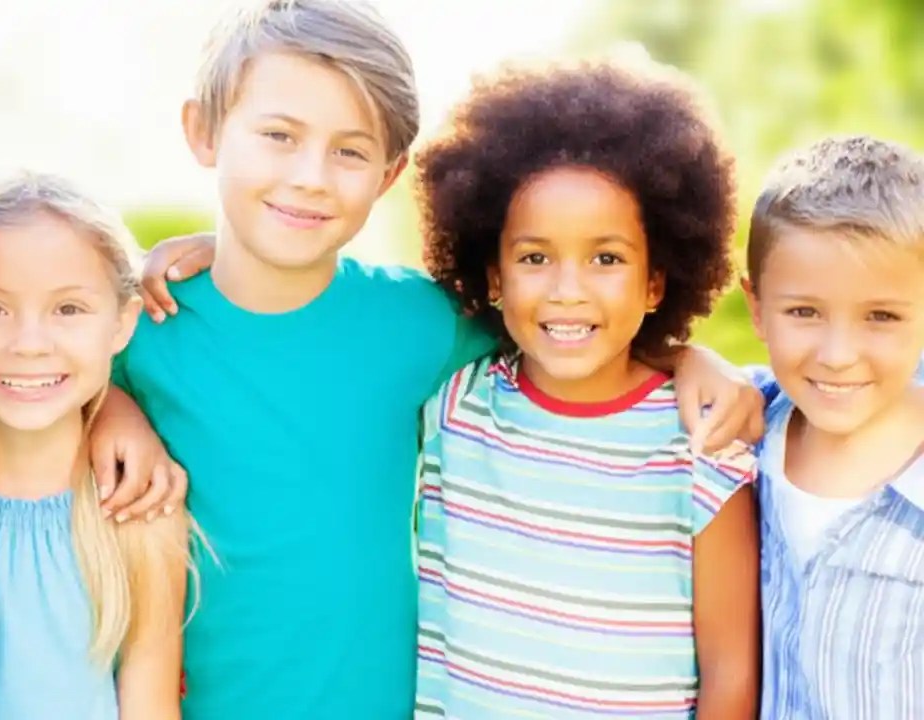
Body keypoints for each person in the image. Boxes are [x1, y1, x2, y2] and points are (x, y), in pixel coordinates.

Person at [115, 3, 764, 716]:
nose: (308, 177)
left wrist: (684, 354)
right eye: (277, 136)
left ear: (390, 175)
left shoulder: (421, 324)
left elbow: (569, 322)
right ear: (203, 133)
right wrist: (113, 413)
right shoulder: (135, 329)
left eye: (349, 151)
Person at [413, 58, 760, 718]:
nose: (567, 289)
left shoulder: (702, 447)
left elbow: (732, 676)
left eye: (606, 258)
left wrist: (689, 357)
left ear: (655, 282)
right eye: (535, 257)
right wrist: (213, 255)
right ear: (494, 276)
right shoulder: (456, 403)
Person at [0, 173, 193, 720]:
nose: (30, 344)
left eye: (68, 309)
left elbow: (150, 707)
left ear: (122, 325)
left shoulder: (140, 513)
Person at [743, 135, 924, 720]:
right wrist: (689, 360)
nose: (838, 354)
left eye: (881, 317)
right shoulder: (742, 432)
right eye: (803, 312)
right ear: (756, 309)